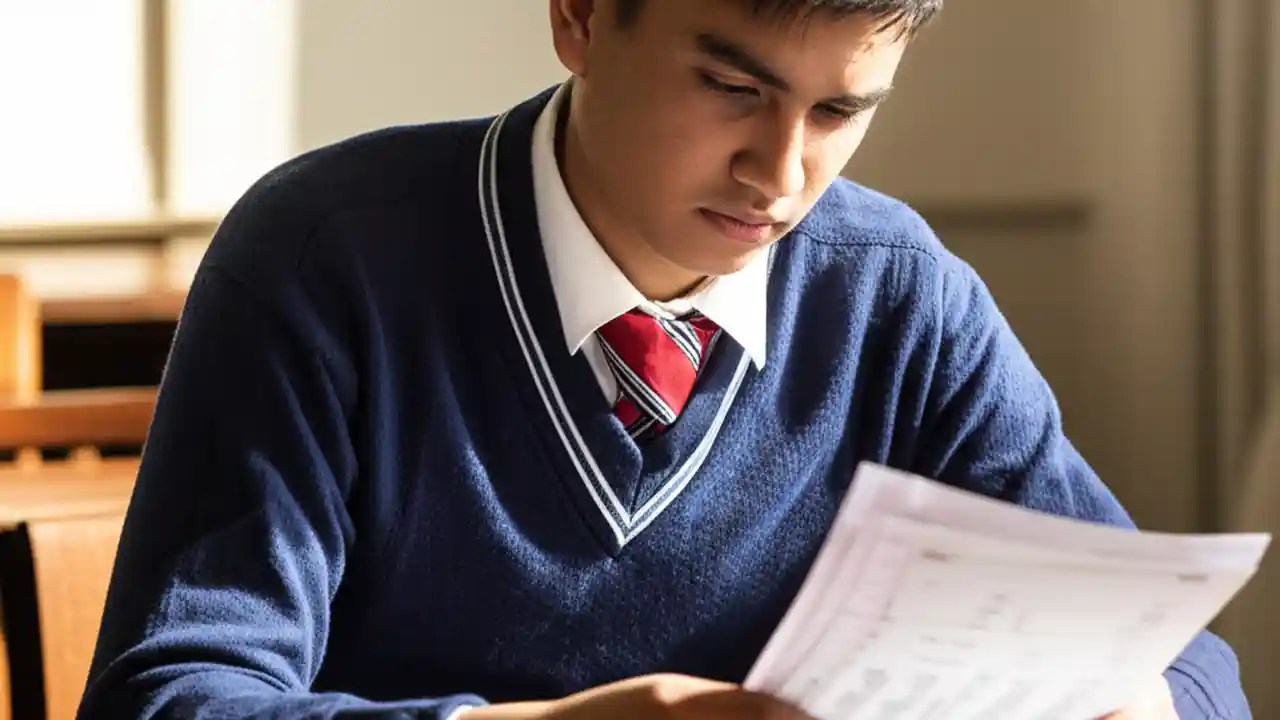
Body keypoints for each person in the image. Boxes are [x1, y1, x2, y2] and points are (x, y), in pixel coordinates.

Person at [79, 1, 1246, 718]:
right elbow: (173, 701)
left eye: (839, 111)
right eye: (732, 88)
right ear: (578, 13)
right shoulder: (324, 255)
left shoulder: (895, 292)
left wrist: (1138, 702)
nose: (780, 175)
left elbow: (1184, 659)